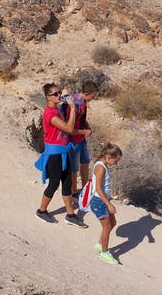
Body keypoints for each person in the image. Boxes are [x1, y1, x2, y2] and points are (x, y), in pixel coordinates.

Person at [34, 83, 87, 227]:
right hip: (54, 155)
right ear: (48, 97)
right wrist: (73, 108)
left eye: (60, 93)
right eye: (56, 94)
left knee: (68, 183)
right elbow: (69, 128)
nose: (59, 96)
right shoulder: (50, 114)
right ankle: (41, 211)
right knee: (54, 184)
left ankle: (71, 215)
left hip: (63, 151)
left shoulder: (57, 110)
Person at [59, 80, 98, 207]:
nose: (94, 98)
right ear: (87, 94)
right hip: (73, 141)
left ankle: (85, 188)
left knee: (85, 162)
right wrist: (84, 131)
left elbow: (80, 120)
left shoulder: (82, 100)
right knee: (74, 169)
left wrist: (86, 126)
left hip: (81, 139)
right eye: (93, 96)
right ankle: (74, 193)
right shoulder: (75, 105)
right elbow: (69, 129)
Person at [89, 143, 123, 264]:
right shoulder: (101, 168)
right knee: (107, 227)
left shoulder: (103, 164)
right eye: (116, 160)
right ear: (108, 157)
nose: (116, 163)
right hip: (99, 202)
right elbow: (98, 189)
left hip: (103, 200)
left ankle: (100, 244)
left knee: (113, 223)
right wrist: (109, 204)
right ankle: (104, 252)